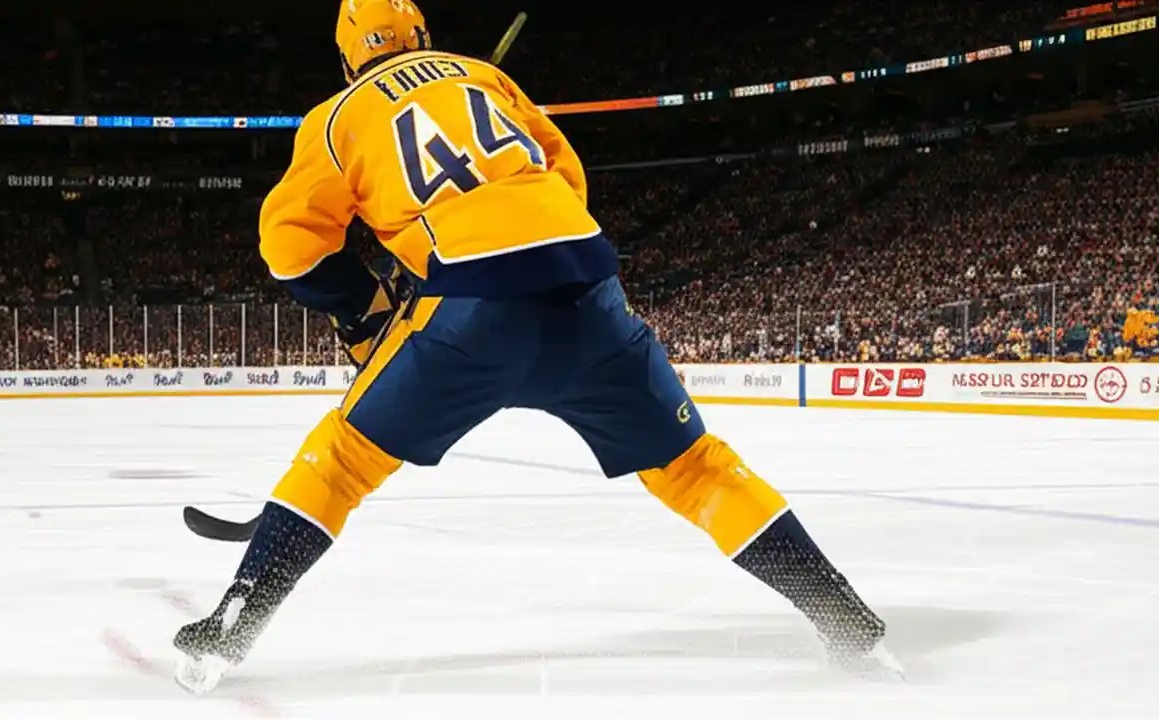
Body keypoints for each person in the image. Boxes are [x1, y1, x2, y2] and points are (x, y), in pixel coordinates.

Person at [174, 0, 900, 693]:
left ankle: (235, 620)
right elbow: (569, 179)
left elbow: (289, 243)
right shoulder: (487, 77)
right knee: (694, 469)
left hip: (471, 308)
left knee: (342, 460)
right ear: (423, 35)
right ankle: (845, 619)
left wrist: (366, 307)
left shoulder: (335, 118)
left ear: (345, 58)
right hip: (585, 281)